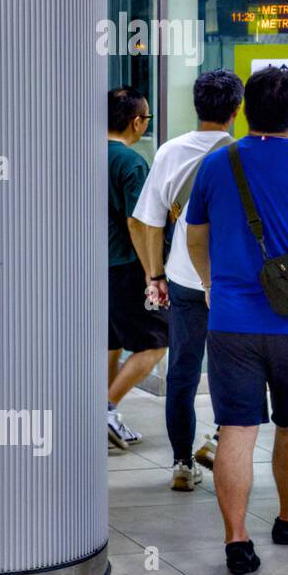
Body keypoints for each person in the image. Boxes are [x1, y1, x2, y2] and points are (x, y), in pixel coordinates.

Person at [185, 66, 288, 575]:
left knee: (236, 429)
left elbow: (195, 238)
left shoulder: (218, 164)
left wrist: (213, 285)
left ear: (244, 111)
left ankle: (237, 539)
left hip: (232, 323)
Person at [130, 70, 243, 491]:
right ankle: (218, 439)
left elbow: (149, 222)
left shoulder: (169, 151)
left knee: (182, 371)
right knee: (238, 367)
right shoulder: (242, 154)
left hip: (184, 278)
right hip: (234, 282)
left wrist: (154, 274)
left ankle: (181, 464)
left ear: (197, 105)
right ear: (237, 110)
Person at [105, 87, 167, 449]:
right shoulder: (130, 162)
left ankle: (100, 414)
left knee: (110, 343)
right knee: (156, 341)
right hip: (125, 266)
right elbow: (137, 223)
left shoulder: (80, 155)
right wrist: (152, 273)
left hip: (92, 266)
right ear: (137, 121)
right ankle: (107, 410)